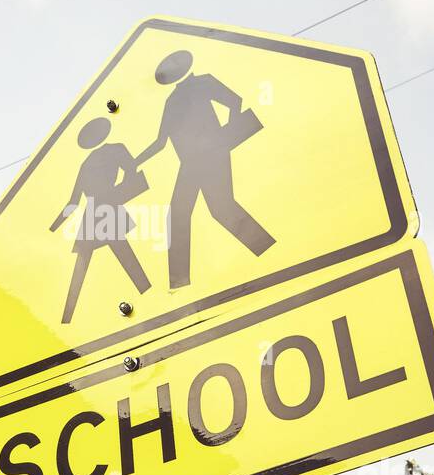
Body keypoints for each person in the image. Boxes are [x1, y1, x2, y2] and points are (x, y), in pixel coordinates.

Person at [135, 49, 275, 288]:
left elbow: (235, 101)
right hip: (189, 164)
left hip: (213, 153)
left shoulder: (203, 82)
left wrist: (225, 139)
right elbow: (161, 142)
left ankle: (267, 250)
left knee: (221, 209)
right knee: (179, 215)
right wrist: (135, 162)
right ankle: (179, 284)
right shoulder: (171, 102)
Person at [50, 117, 152, 324]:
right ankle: (67, 318)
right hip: (104, 210)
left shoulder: (89, 162)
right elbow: (131, 172)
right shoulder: (112, 151)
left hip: (96, 212)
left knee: (97, 259)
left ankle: (67, 318)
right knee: (118, 254)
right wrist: (51, 229)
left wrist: (54, 227)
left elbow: (73, 203)